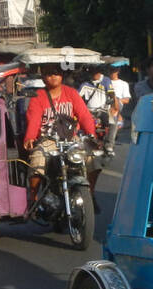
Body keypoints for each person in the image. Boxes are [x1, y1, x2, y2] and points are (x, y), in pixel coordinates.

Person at [22, 64, 98, 208]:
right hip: (47, 140)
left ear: (62, 75)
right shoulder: (38, 97)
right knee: (37, 161)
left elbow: (84, 116)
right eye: (49, 73)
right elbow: (34, 119)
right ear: (43, 78)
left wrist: (91, 136)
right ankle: (33, 197)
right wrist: (30, 137)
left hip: (71, 139)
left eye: (56, 73)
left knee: (93, 159)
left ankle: (90, 194)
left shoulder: (71, 93)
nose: (53, 76)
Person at [105, 66, 131, 154]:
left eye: (114, 70)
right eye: (110, 70)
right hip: (103, 106)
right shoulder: (104, 82)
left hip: (115, 108)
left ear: (118, 71)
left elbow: (126, 100)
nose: (112, 72)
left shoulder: (123, 84)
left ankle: (110, 144)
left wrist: (116, 100)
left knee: (113, 119)